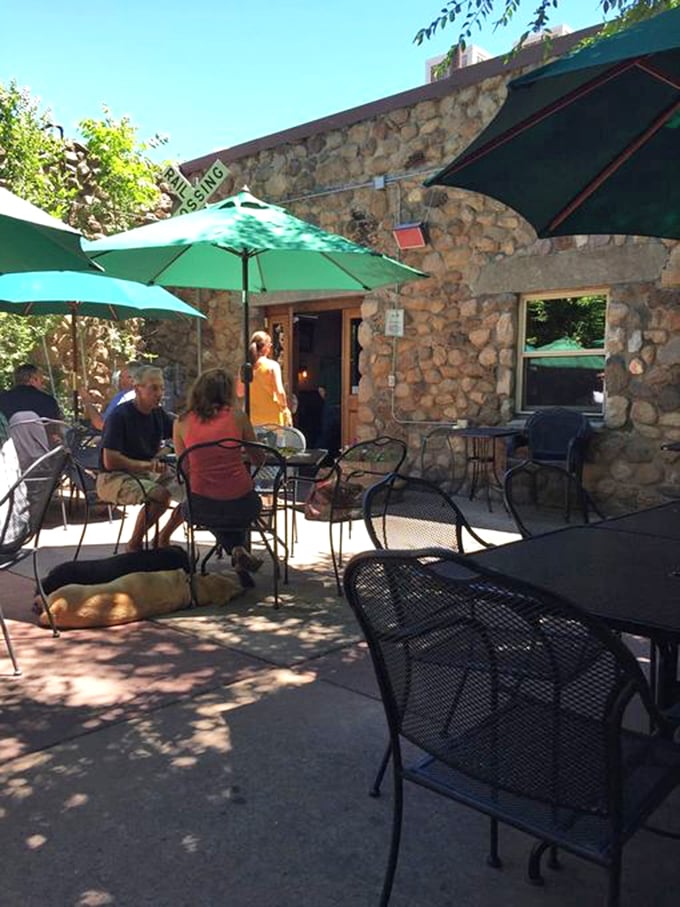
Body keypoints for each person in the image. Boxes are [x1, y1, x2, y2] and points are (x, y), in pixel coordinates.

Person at [174, 367, 264, 584]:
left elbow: (183, 467)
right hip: (242, 504)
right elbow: (259, 458)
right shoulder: (238, 417)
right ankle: (238, 549)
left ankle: (236, 550)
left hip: (202, 505)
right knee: (239, 504)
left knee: (203, 508)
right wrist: (237, 453)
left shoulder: (181, 422)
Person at [97, 365, 184, 552]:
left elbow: (180, 430)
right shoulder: (119, 416)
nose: (160, 393)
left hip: (148, 474)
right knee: (160, 496)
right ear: (137, 389)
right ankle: (134, 545)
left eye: (162, 388)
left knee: (194, 493)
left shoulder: (157, 414)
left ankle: (162, 538)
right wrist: (147, 465)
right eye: (154, 388)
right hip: (115, 478)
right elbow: (110, 461)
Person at [0, 363, 63, 439]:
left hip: (9, 444)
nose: (42, 383)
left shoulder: (2, 399)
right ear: (33, 379)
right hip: (43, 445)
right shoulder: (48, 401)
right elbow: (55, 431)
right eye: (40, 380)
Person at [243, 331, 291, 427]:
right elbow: (279, 392)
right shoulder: (272, 366)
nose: (271, 346)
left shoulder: (245, 368)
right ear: (265, 347)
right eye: (270, 344)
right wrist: (285, 408)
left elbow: (239, 392)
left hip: (252, 418)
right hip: (272, 419)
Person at [78, 360, 141, 431]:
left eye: (129, 377)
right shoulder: (122, 394)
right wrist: (101, 402)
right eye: (121, 377)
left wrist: (87, 401)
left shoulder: (128, 397)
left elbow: (102, 425)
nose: (123, 381)